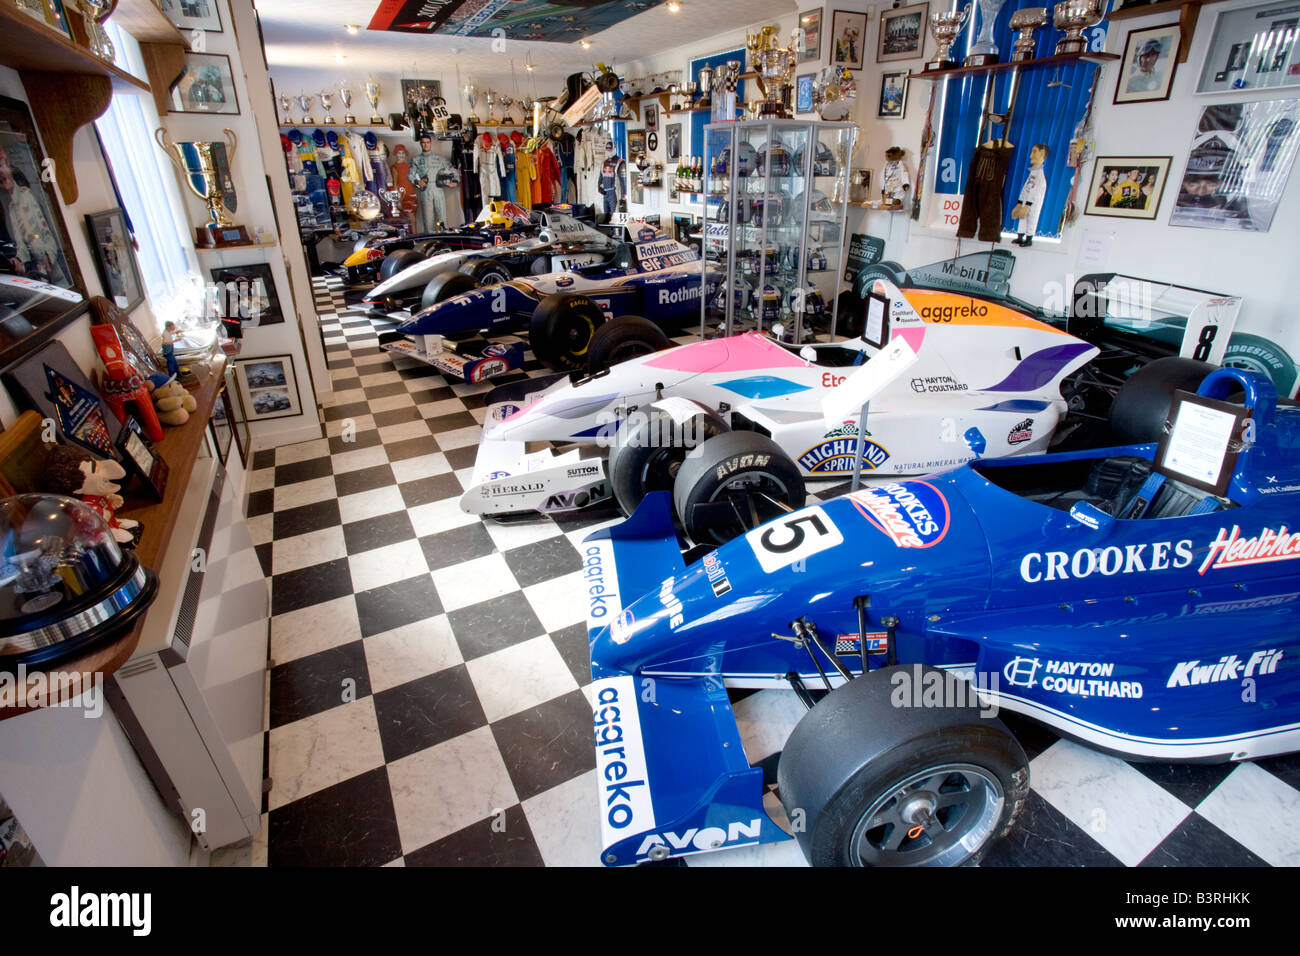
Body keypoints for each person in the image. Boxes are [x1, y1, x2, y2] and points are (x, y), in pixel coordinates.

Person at [0, 142, 69, 285]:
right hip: (38, 273)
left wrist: (48, 258)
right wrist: (18, 260)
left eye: (2, 166)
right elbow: (22, 246)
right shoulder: (12, 208)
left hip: (52, 266)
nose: (1, 175)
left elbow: (47, 233)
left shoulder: (27, 196)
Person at [408, 134, 449, 232]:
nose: (426, 145)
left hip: (438, 189)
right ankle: (431, 242)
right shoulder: (416, 160)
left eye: (427, 142)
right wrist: (417, 181)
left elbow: (450, 170)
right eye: (423, 143)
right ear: (420, 144)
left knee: (442, 219)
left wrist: (454, 181)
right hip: (426, 190)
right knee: (428, 220)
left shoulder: (440, 159)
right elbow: (410, 175)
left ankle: (445, 240)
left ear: (430, 143)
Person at [1012, 144, 1049, 247]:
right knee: (1022, 219)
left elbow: (1034, 192)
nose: (1031, 155)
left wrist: (1028, 205)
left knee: (1031, 219)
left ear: (1041, 153)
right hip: (1026, 202)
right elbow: (1025, 189)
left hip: (1033, 204)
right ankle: (1020, 236)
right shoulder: (1032, 174)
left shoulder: (1040, 176)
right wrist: (1020, 204)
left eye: (1034, 151)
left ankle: (1028, 239)